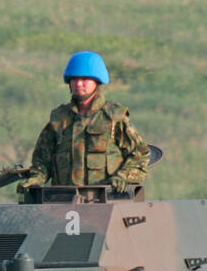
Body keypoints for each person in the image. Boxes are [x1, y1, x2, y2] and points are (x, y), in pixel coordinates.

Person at [20, 52, 150, 195]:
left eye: (84, 79)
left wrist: (124, 176)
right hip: (64, 203)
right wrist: (37, 178)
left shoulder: (115, 119)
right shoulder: (59, 120)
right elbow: (42, 160)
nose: (78, 84)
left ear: (97, 81)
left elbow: (141, 154)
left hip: (105, 203)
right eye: (74, 79)